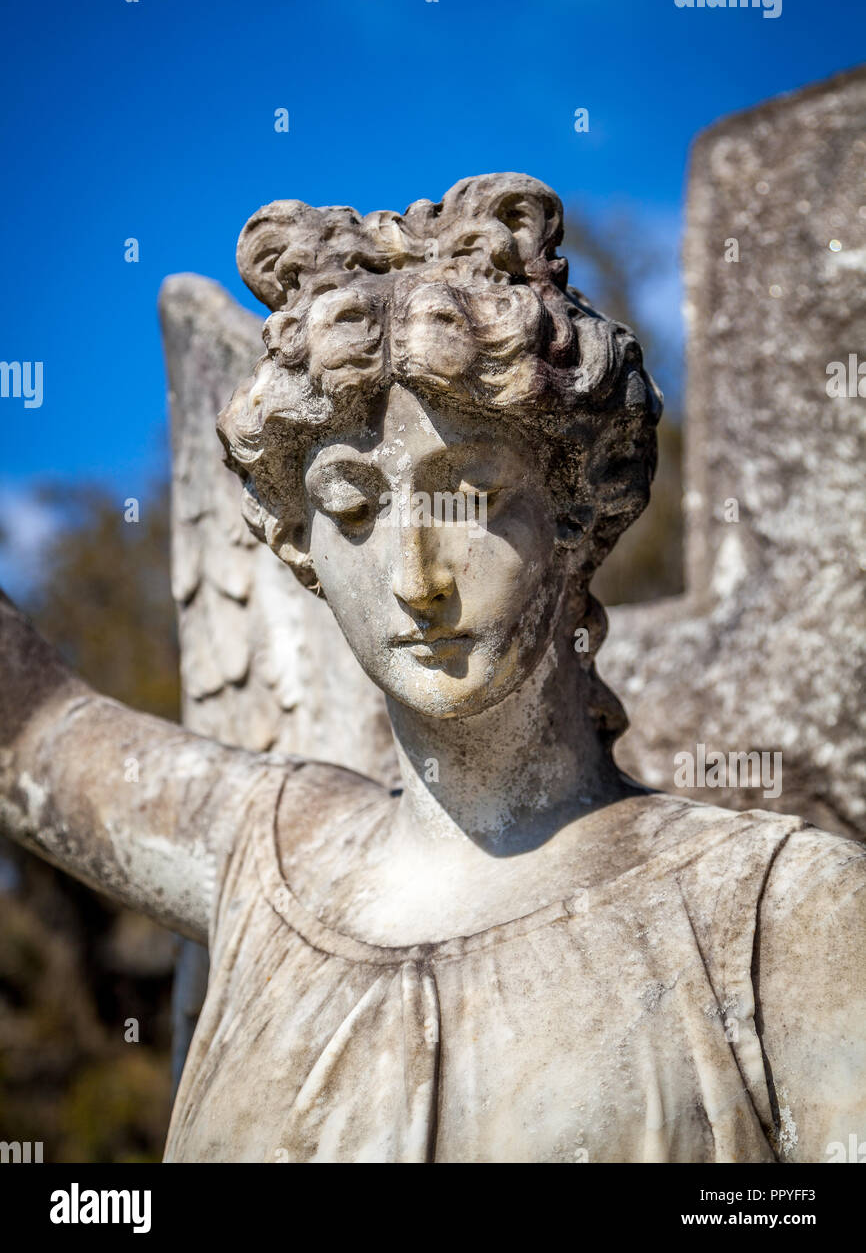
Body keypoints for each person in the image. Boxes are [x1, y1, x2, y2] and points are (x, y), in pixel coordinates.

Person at [1, 174, 863, 1162]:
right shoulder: (262, 857)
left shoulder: (780, 918)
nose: (415, 580)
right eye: (354, 508)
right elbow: (27, 727)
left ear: (576, 513)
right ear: (295, 543)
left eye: (470, 498)